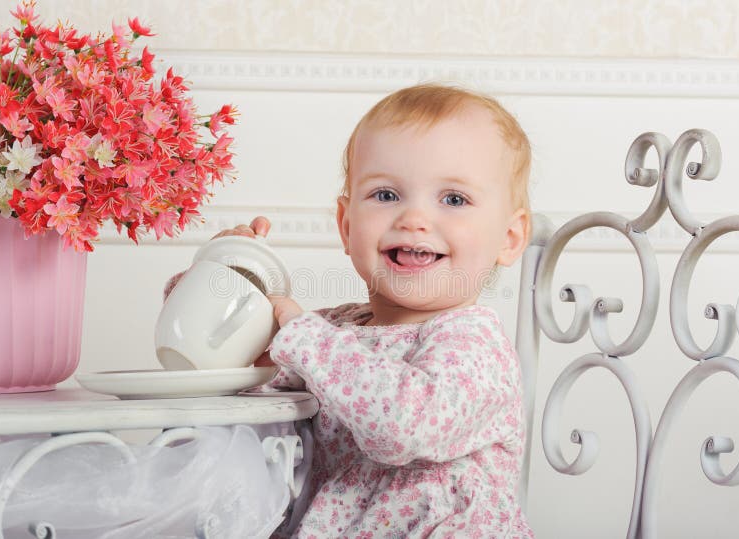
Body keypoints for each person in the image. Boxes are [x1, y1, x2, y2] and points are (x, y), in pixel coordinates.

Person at [169, 84, 533, 537]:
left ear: (510, 238)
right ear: (346, 226)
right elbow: (234, 377)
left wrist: (303, 338)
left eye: (453, 199)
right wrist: (230, 275)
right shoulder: (334, 330)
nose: (414, 218)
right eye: (385, 195)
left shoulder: (475, 345)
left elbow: (406, 425)